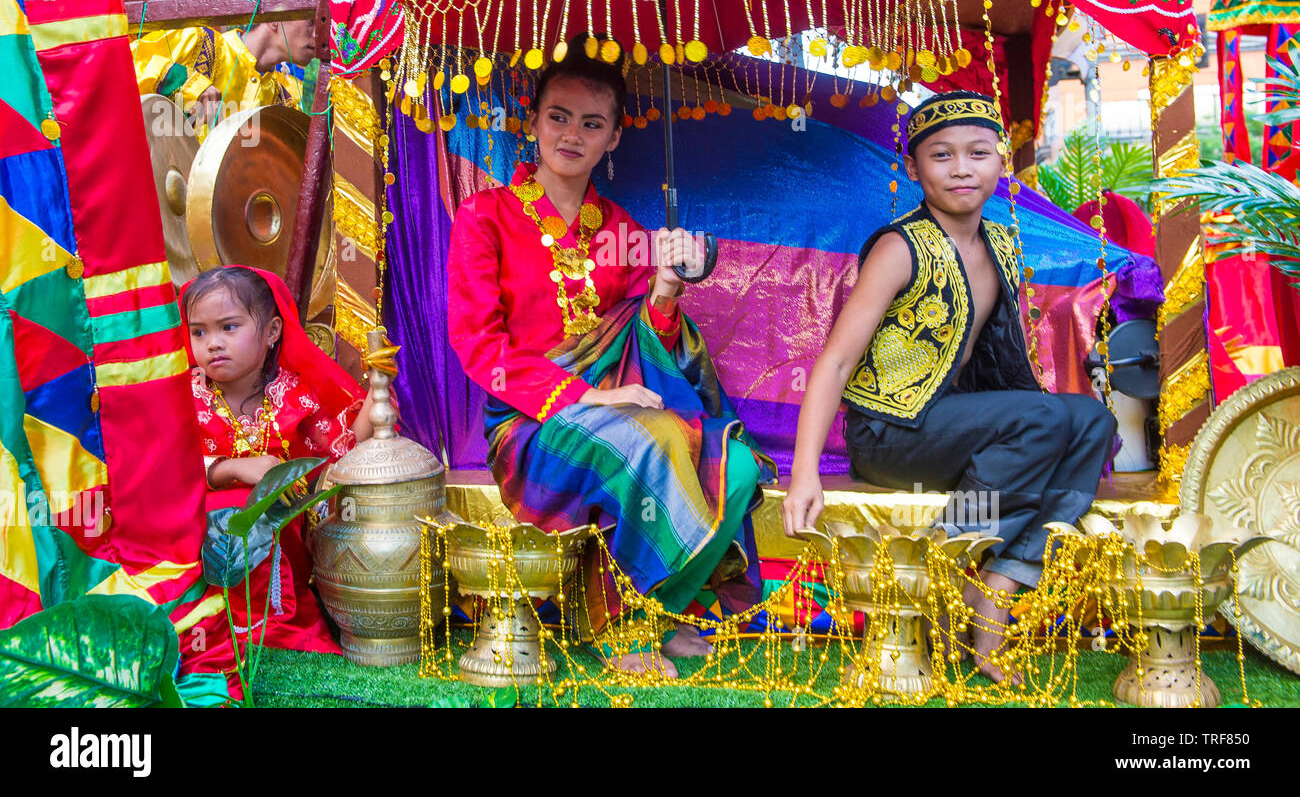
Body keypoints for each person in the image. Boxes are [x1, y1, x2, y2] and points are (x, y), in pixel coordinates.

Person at [447, 37, 775, 677]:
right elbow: (478, 346)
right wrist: (588, 396)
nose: (572, 134)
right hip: (529, 421)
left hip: (624, 408)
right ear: (533, 121)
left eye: (592, 123)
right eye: (559, 117)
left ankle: (674, 611)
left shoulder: (622, 228)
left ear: (614, 139)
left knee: (733, 463)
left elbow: (647, 340)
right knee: (642, 443)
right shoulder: (485, 216)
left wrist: (666, 288)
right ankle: (624, 625)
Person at [781, 90, 1115, 682]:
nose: (962, 168)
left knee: (1093, 422)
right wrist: (805, 473)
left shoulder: (1001, 243)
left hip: (951, 426)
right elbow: (833, 363)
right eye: (942, 155)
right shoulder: (900, 247)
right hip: (892, 434)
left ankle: (1000, 582)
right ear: (914, 169)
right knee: (1042, 420)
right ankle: (947, 563)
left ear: (1000, 163)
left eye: (978, 153)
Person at [178, 264, 372, 680]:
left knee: (262, 508)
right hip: (194, 545)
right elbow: (162, 470)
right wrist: (230, 469)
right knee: (233, 504)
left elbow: (333, 456)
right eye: (199, 332)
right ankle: (210, 636)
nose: (212, 344)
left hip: (283, 547)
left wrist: (379, 395)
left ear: (272, 332)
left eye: (228, 327)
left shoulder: (292, 395)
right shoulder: (182, 398)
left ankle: (279, 631)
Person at [132, 0, 315, 122]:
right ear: (276, 18)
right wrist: (183, 83)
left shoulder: (282, 102)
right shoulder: (198, 42)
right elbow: (123, 65)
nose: (318, 33)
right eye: (311, 21)